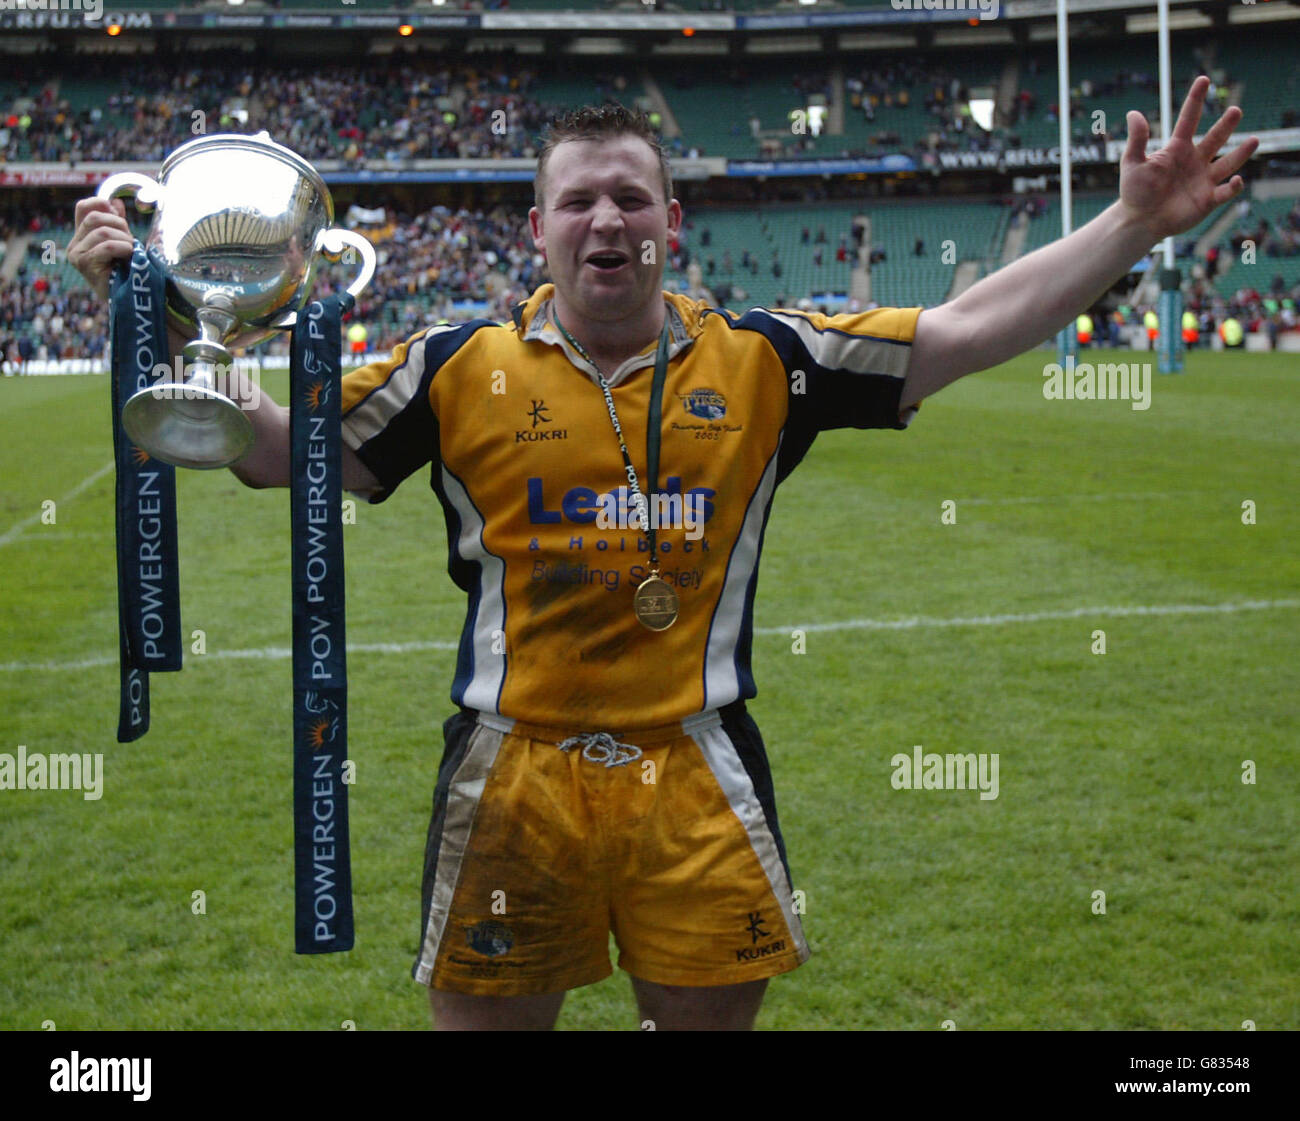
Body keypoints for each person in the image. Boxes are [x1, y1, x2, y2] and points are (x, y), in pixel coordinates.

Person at [68, 81, 1255, 1031]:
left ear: (668, 222)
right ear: (537, 227)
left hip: (696, 770)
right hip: (510, 771)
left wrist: (1132, 223)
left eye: (631, 198)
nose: (607, 222)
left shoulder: (764, 358)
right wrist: (155, 308)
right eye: (579, 201)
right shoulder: (452, 365)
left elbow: (965, 329)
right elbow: (275, 451)